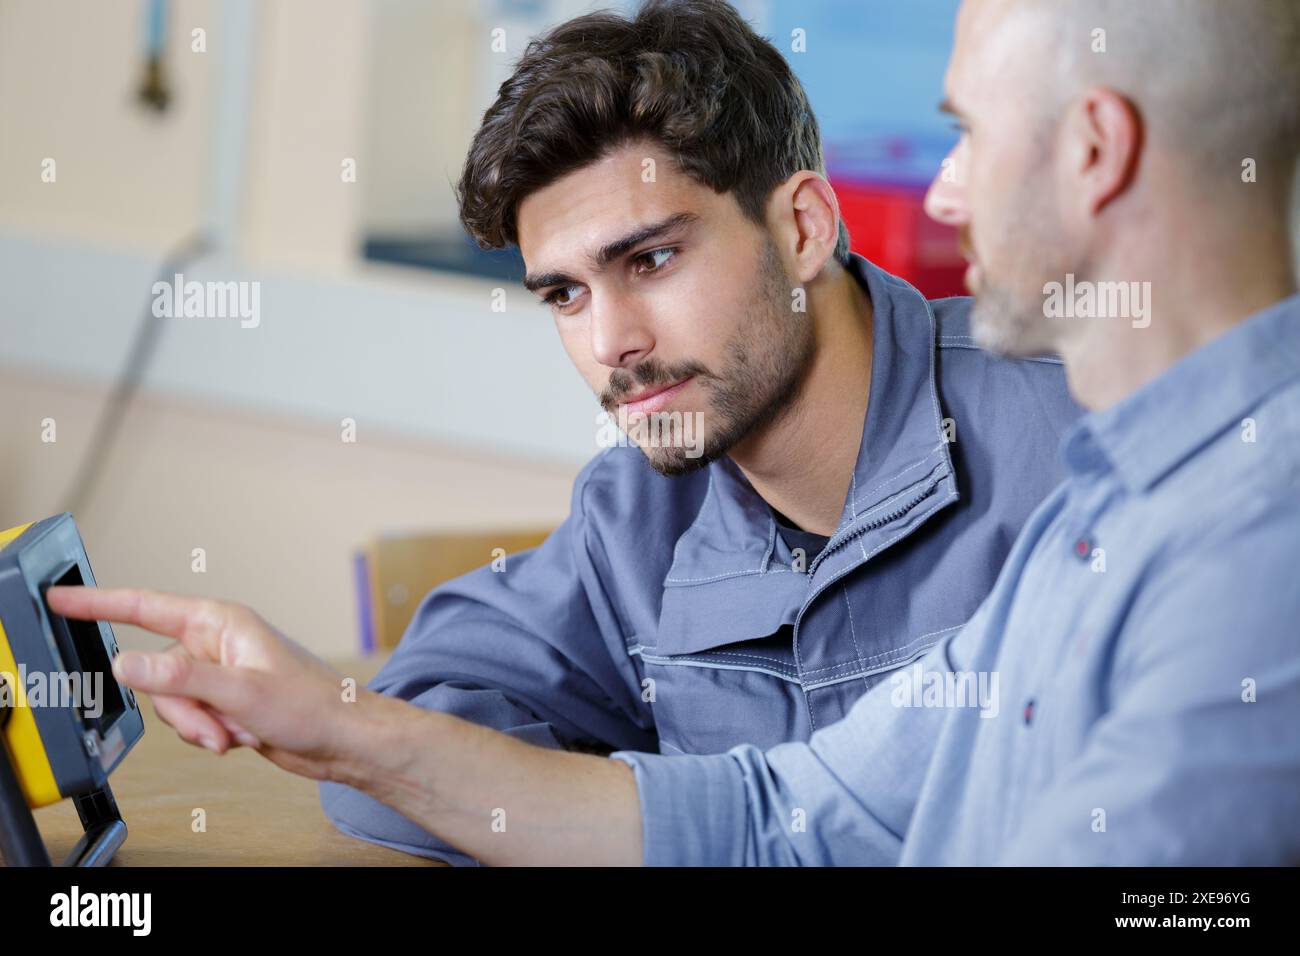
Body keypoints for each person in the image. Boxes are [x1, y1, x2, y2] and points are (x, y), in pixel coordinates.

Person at [46, 0, 1299, 865]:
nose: (609, 343)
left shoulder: (1149, 476)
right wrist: (337, 720)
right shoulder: (1114, 490)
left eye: (650, 259)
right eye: (564, 295)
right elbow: (783, 818)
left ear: (804, 229)